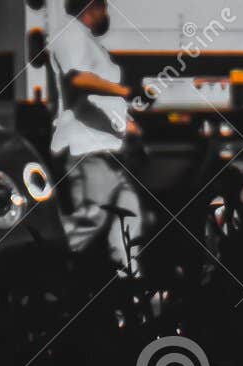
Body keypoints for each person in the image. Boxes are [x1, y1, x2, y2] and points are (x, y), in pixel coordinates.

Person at [47, 0, 143, 273]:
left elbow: (100, 100)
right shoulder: (68, 33)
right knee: (89, 222)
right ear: (92, 6)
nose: (106, 14)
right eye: (104, 7)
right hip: (86, 149)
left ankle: (131, 293)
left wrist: (127, 127)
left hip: (109, 152)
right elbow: (76, 79)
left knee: (128, 224)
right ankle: (44, 274)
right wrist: (125, 91)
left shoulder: (87, 41)